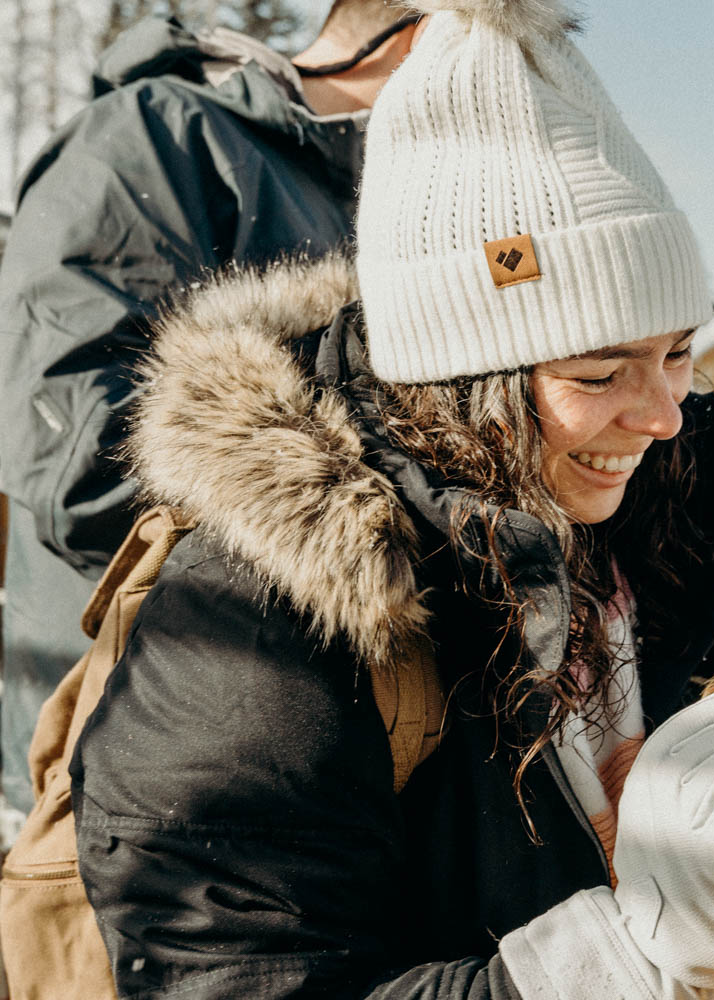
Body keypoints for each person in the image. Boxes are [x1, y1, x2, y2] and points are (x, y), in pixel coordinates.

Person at [71, 0, 714, 995]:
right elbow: (235, 979)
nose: (665, 415)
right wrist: (617, 963)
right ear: (458, 383)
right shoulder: (255, 618)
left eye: (676, 355)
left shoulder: (655, 528)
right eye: (598, 372)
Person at [0, 0, 419, 813]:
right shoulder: (155, 136)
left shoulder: (379, 204)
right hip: (124, 771)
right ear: (425, 30)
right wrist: (368, 545)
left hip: (296, 773)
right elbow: (78, 452)